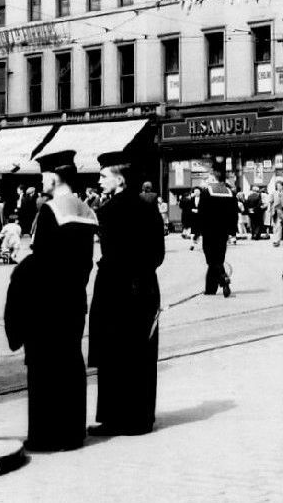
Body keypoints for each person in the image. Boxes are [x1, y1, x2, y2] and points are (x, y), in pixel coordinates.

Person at [4, 149, 97, 452]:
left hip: (47, 303)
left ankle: (47, 435)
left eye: (44, 175)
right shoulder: (85, 210)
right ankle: (71, 431)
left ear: (55, 177)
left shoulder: (51, 210)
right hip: (74, 299)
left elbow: (41, 258)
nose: (40, 181)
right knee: (70, 361)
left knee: (45, 368)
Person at [87, 149, 166, 437]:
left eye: (103, 175)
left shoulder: (108, 212)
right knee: (141, 352)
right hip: (145, 287)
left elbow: (111, 255)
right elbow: (158, 254)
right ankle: (141, 417)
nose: (99, 180)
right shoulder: (149, 207)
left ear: (119, 180)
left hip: (115, 288)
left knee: (114, 352)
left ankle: (115, 417)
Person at [197, 164, 238, 297]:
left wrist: (197, 231)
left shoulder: (206, 192)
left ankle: (223, 277)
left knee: (211, 260)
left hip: (209, 231)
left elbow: (201, 213)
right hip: (223, 231)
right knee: (219, 258)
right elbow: (234, 214)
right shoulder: (230, 192)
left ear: (213, 177)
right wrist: (232, 231)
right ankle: (210, 289)